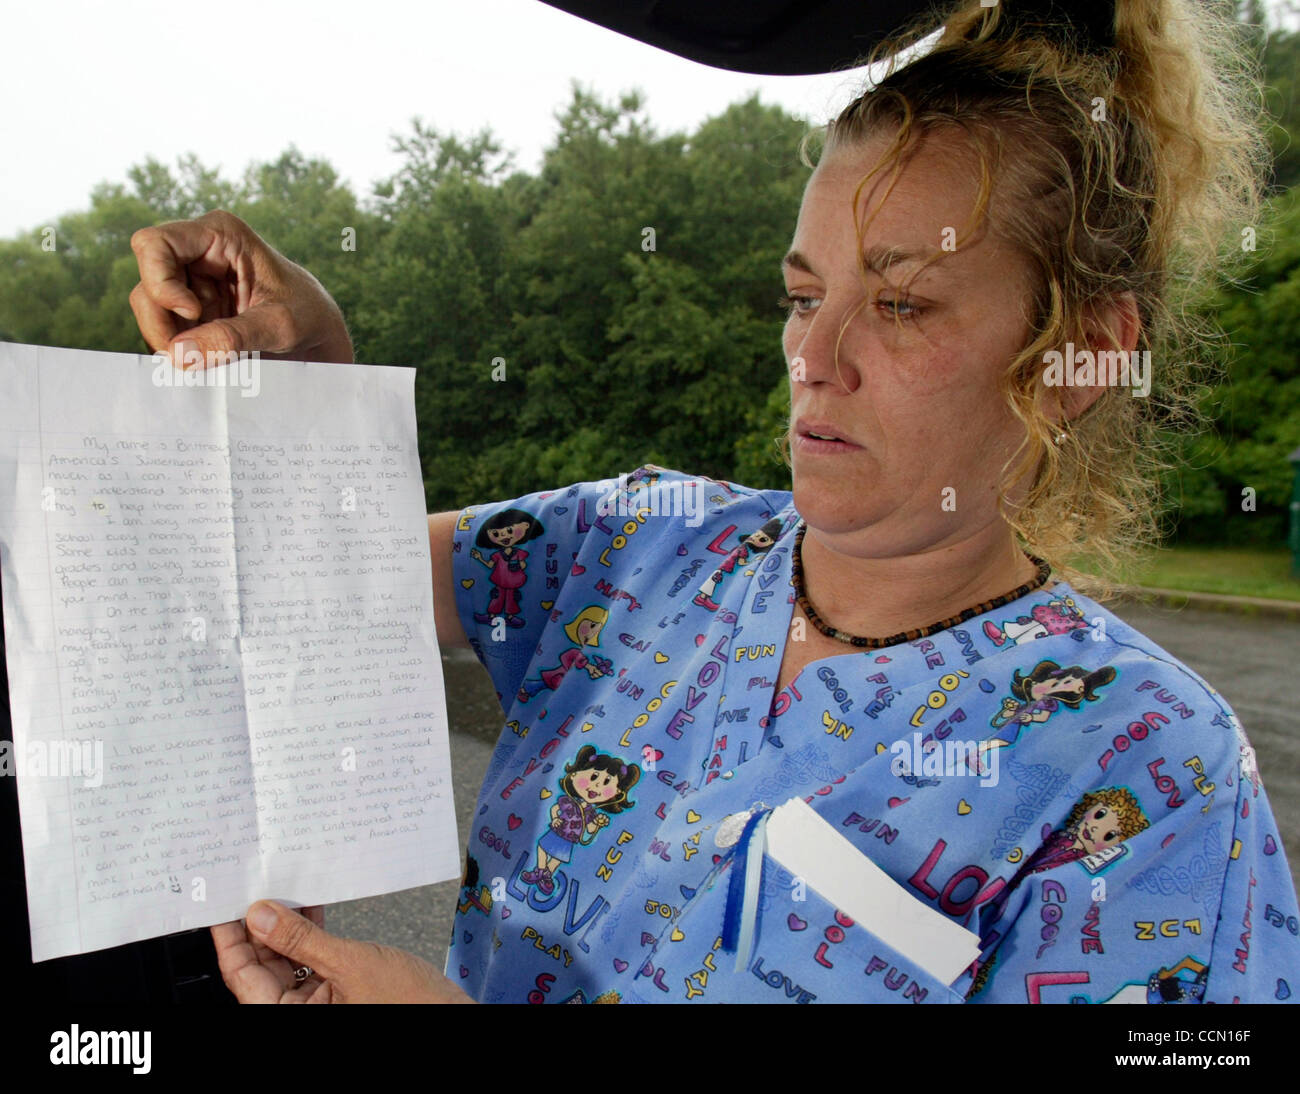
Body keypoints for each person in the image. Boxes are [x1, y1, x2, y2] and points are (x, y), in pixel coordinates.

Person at [126, 0, 1300, 1003]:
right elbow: (311, 586)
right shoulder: (637, 543)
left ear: (1078, 357)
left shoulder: (1151, 772)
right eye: (801, 296)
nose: (816, 355)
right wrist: (312, 380)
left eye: (901, 305)